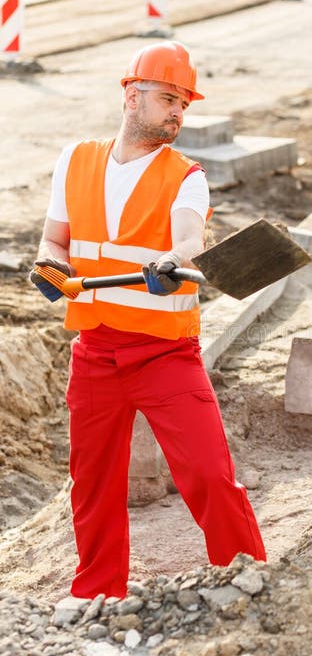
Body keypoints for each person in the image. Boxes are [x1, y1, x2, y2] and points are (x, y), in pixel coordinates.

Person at [30, 40, 266, 601]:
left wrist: (175, 262)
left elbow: (187, 240)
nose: (178, 112)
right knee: (92, 486)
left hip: (164, 355)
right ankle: (96, 594)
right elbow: (53, 240)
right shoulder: (76, 159)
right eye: (167, 98)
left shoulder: (187, 176)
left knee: (208, 475)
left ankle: (250, 578)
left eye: (184, 102)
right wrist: (52, 268)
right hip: (96, 354)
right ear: (132, 95)